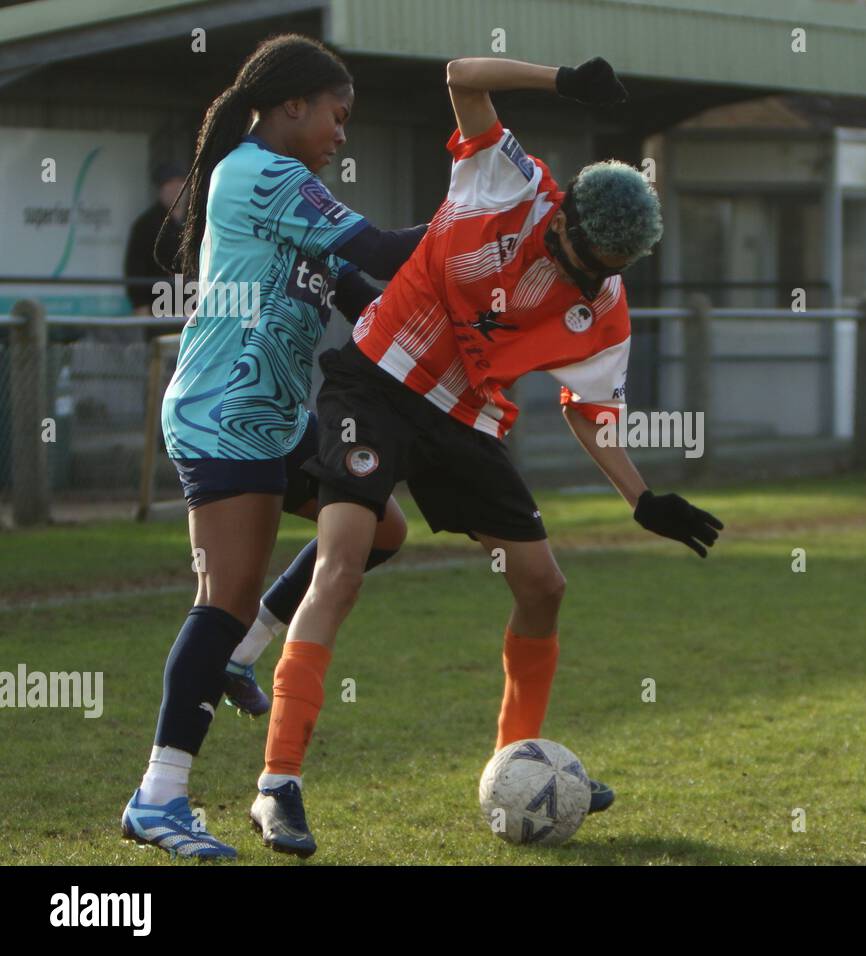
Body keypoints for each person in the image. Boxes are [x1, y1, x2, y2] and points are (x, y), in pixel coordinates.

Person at [246, 55, 723, 858]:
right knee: (344, 562)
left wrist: (642, 499)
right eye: (577, 260)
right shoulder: (509, 180)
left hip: (464, 420)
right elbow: (463, 74)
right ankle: (277, 786)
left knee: (542, 585)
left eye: (601, 276)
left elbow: (592, 412)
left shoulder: (602, 307)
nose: (581, 282)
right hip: (375, 381)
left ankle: (520, 765)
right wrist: (565, 79)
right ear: (563, 212)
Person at [120, 33, 428, 860]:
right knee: (222, 597)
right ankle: (158, 798)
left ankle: (238, 656)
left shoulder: (291, 188)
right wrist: (477, 223)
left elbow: (369, 291)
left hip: (278, 420)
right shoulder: (262, 174)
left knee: (383, 532)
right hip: (227, 415)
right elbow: (383, 251)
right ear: (291, 104)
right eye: (338, 114)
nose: (342, 131)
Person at [124, 160, 188, 334]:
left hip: (192, 309)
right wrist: (140, 306)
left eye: (181, 183)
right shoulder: (146, 225)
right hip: (158, 308)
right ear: (160, 189)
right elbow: (134, 268)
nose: (176, 189)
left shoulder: (196, 222)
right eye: (170, 184)